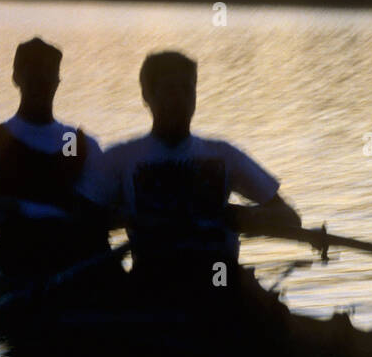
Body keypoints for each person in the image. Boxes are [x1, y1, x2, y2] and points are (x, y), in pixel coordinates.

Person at [83, 50, 300, 327]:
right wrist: (129, 218)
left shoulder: (224, 155)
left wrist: (240, 217)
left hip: (219, 277)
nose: (181, 99)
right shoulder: (120, 158)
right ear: (147, 96)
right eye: (170, 90)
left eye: (188, 89)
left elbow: (289, 218)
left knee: (264, 314)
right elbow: (83, 223)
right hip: (153, 280)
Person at [0, 37, 112, 291]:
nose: (41, 80)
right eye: (33, 71)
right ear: (16, 78)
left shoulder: (73, 141)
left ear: (57, 81)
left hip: (74, 262)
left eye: (48, 73)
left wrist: (21, 205)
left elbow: (100, 204)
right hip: (20, 261)